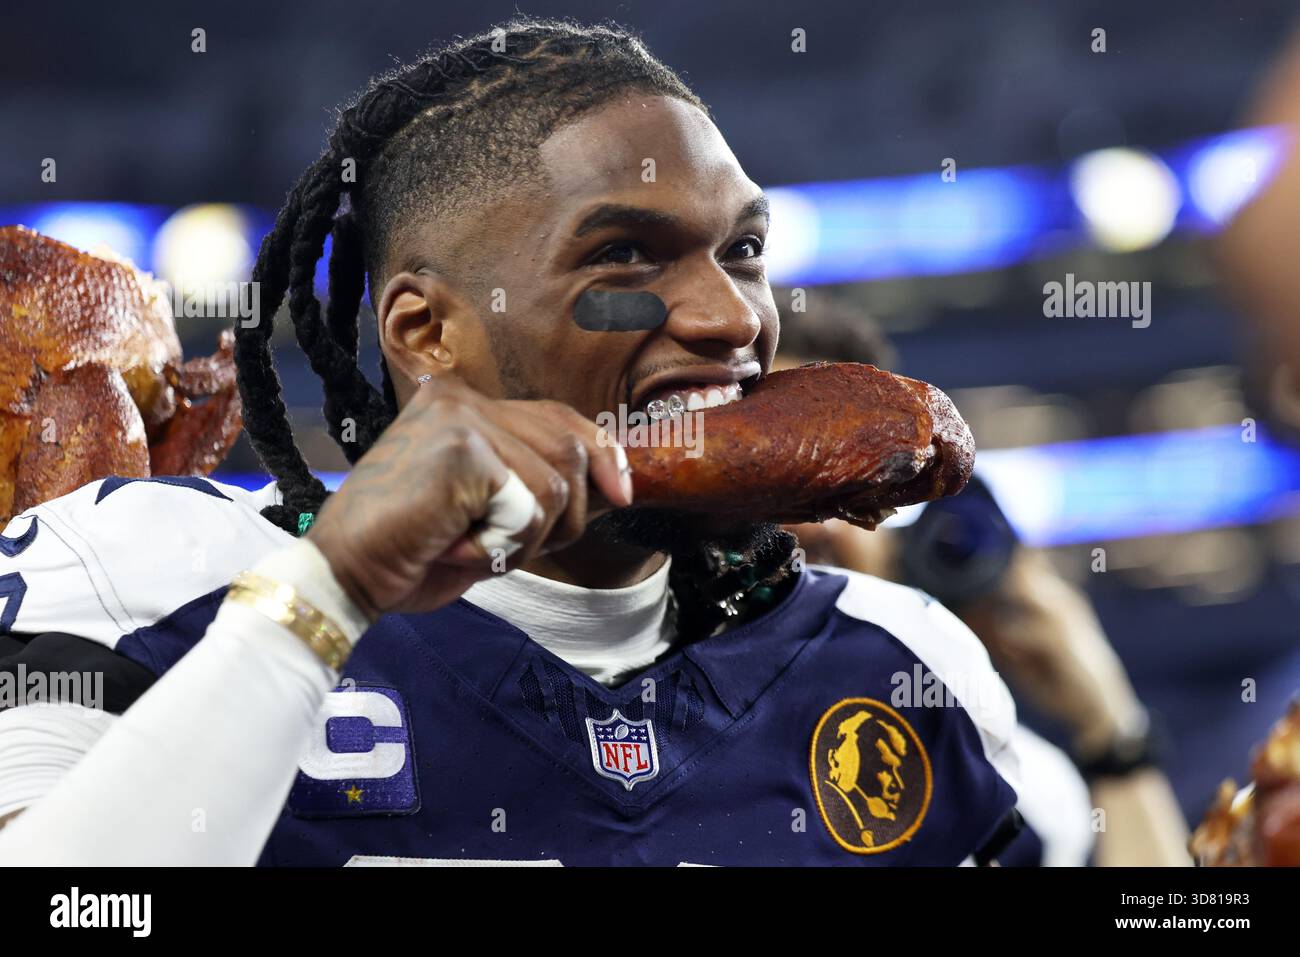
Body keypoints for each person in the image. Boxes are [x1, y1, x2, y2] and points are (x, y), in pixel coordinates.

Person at [0, 17, 1029, 866]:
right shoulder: (145, 572)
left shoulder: (902, 660)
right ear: (427, 333)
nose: (731, 318)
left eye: (744, 251)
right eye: (624, 256)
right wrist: (327, 595)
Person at [776, 293, 1191, 865]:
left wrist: (1111, 732)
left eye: (841, 473)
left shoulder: (1013, 786)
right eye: (772, 469)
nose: (807, 521)